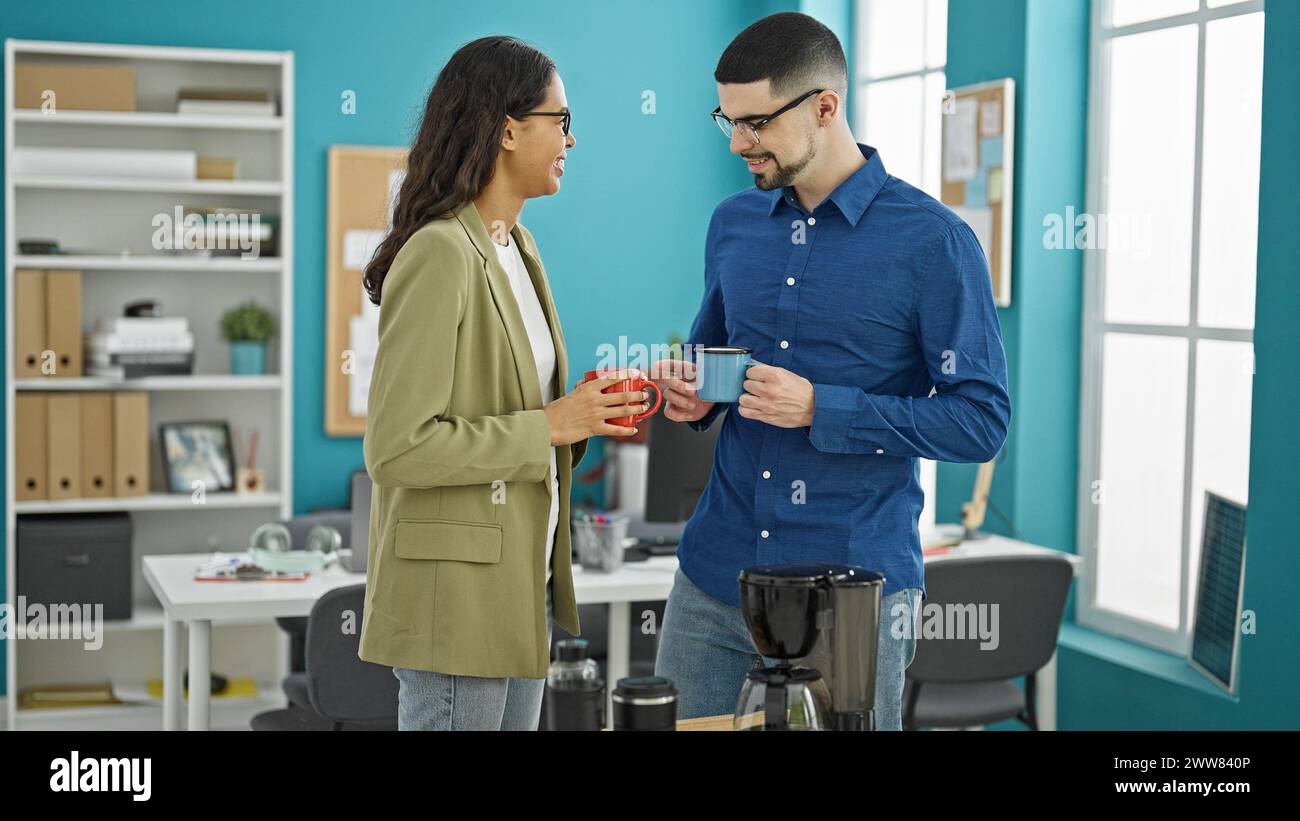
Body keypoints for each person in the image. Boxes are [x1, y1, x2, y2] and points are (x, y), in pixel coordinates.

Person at [652, 12, 1011, 729]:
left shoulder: (935, 242)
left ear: (825, 106)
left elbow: (981, 420)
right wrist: (692, 393)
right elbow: (711, 359)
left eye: (755, 123)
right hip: (712, 579)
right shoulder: (733, 224)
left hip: (849, 597)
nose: (736, 143)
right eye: (727, 119)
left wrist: (824, 408)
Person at [357, 35, 648, 730]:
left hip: (521, 587)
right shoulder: (440, 252)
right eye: (562, 121)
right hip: (456, 600)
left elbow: (519, 410)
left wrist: (584, 413)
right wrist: (550, 424)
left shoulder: (516, 246)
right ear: (509, 128)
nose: (572, 140)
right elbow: (397, 447)